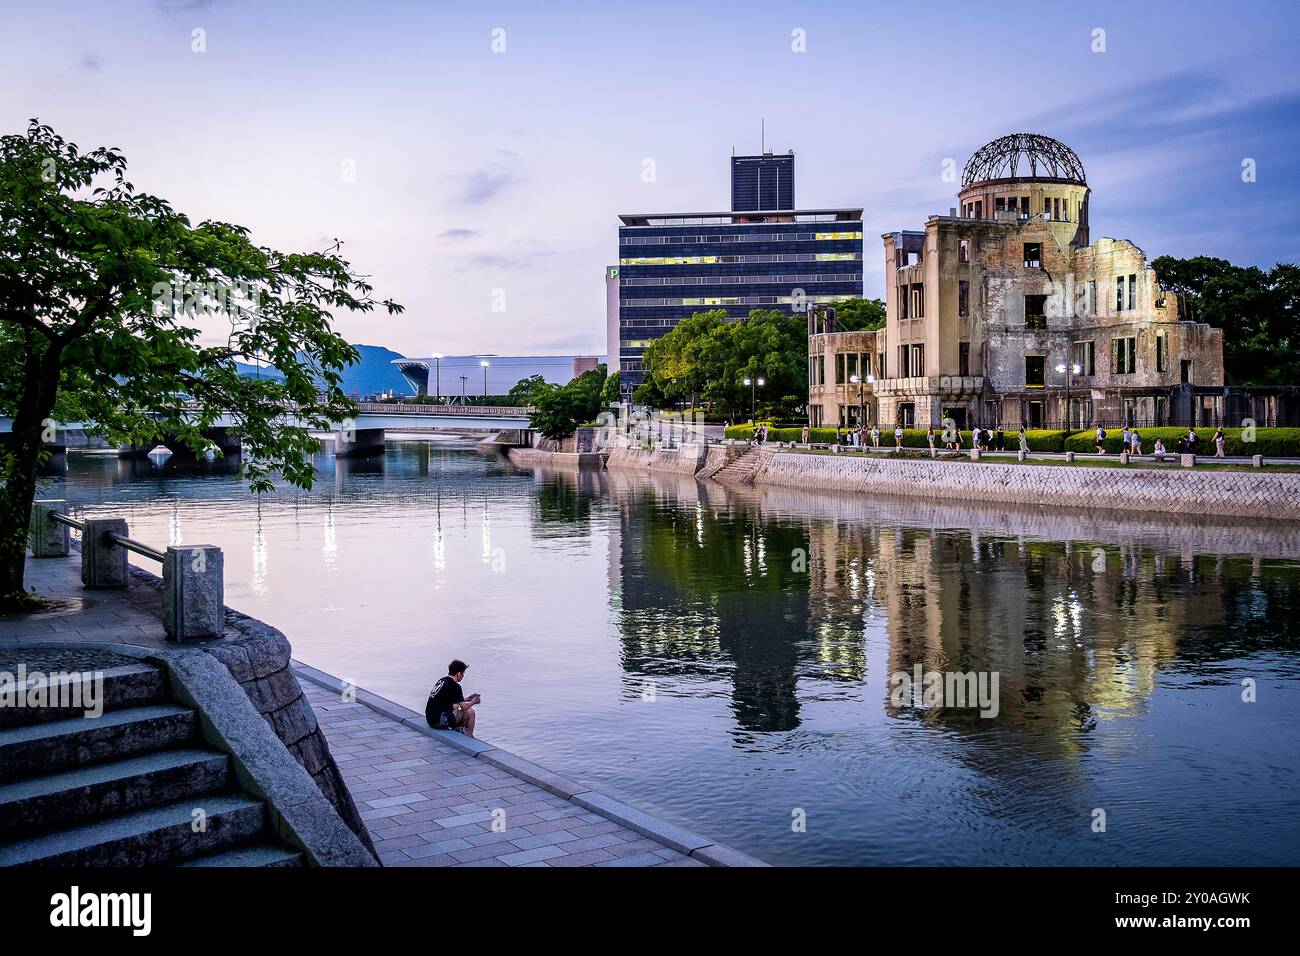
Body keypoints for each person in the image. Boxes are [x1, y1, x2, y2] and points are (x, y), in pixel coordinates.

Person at [426, 659, 480, 737]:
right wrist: (474, 701)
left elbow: (444, 699)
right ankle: (469, 736)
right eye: (463, 674)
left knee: (455, 706)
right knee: (470, 712)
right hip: (440, 721)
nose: (463, 676)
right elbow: (464, 707)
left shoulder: (442, 680)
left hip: (430, 720)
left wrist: (466, 699)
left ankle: (459, 729)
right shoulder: (455, 686)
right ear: (458, 674)